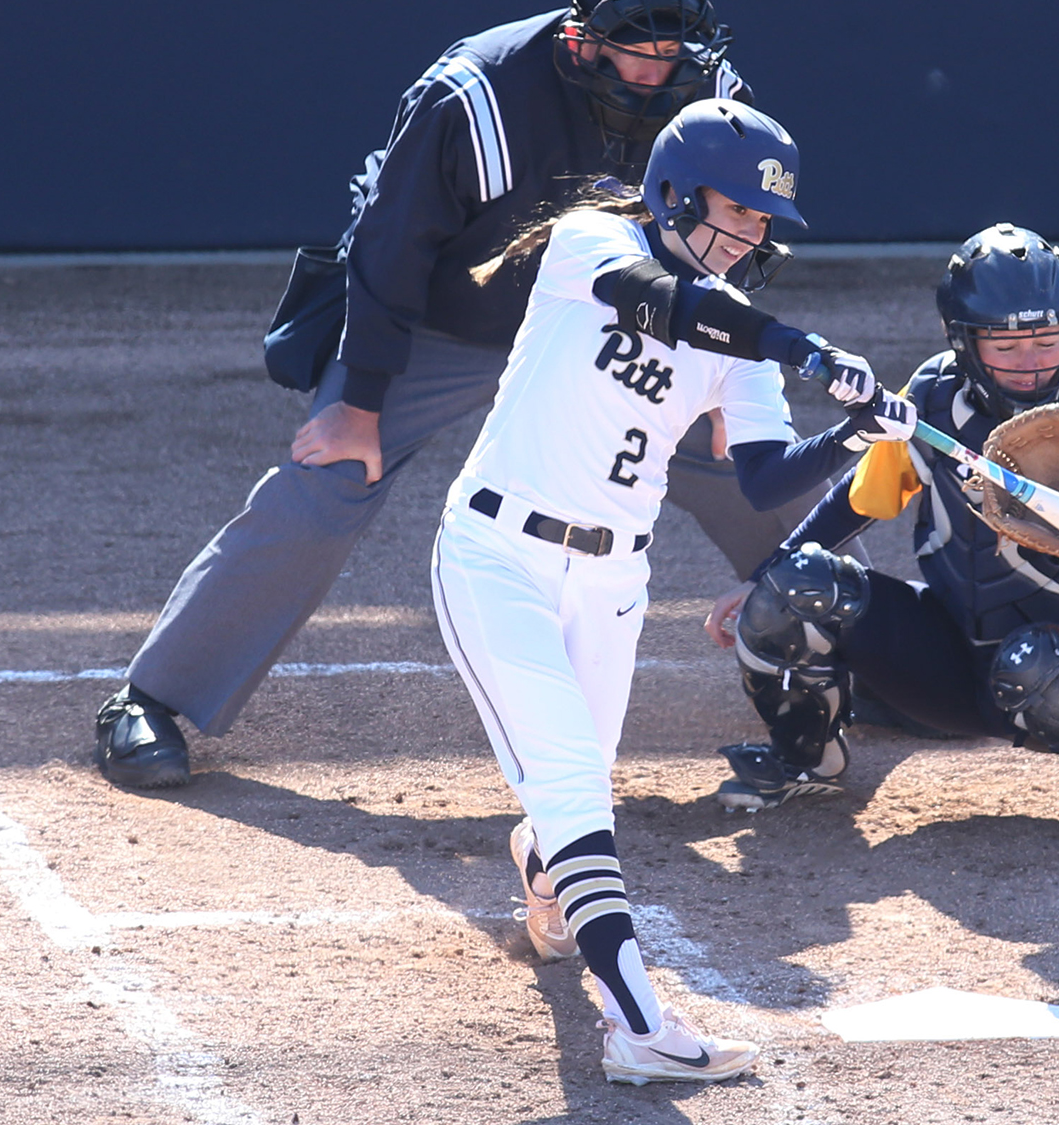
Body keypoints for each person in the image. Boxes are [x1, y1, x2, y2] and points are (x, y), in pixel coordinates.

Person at [92, 0, 839, 788]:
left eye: (673, 49)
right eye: (635, 49)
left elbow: (725, 234)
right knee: (336, 471)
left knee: (748, 460)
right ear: (585, 33)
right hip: (449, 324)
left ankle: (852, 647)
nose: (657, 69)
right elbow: (387, 241)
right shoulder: (478, 91)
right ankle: (153, 696)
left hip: (616, 323)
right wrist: (360, 395)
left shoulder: (712, 92)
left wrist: (721, 378)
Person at [432, 100, 913, 1083]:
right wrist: (797, 345)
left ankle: (544, 869)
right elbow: (666, 303)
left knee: (569, 797)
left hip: (612, 580)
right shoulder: (588, 243)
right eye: (731, 212)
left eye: (760, 222)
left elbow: (766, 479)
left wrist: (855, 435)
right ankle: (636, 1022)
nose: (747, 236)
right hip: (495, 559)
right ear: (671, 194)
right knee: (569, 774)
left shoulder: (739, 333)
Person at [702, 223, 1059, 843]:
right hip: (946, 655)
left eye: (1046, 341)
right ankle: (808, 759)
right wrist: (762, 577)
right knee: (795, 584)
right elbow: (856, 501)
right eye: (1005, 345)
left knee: (1037, 662)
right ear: (964, 342)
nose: (1030, 363)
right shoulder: (934, 397)